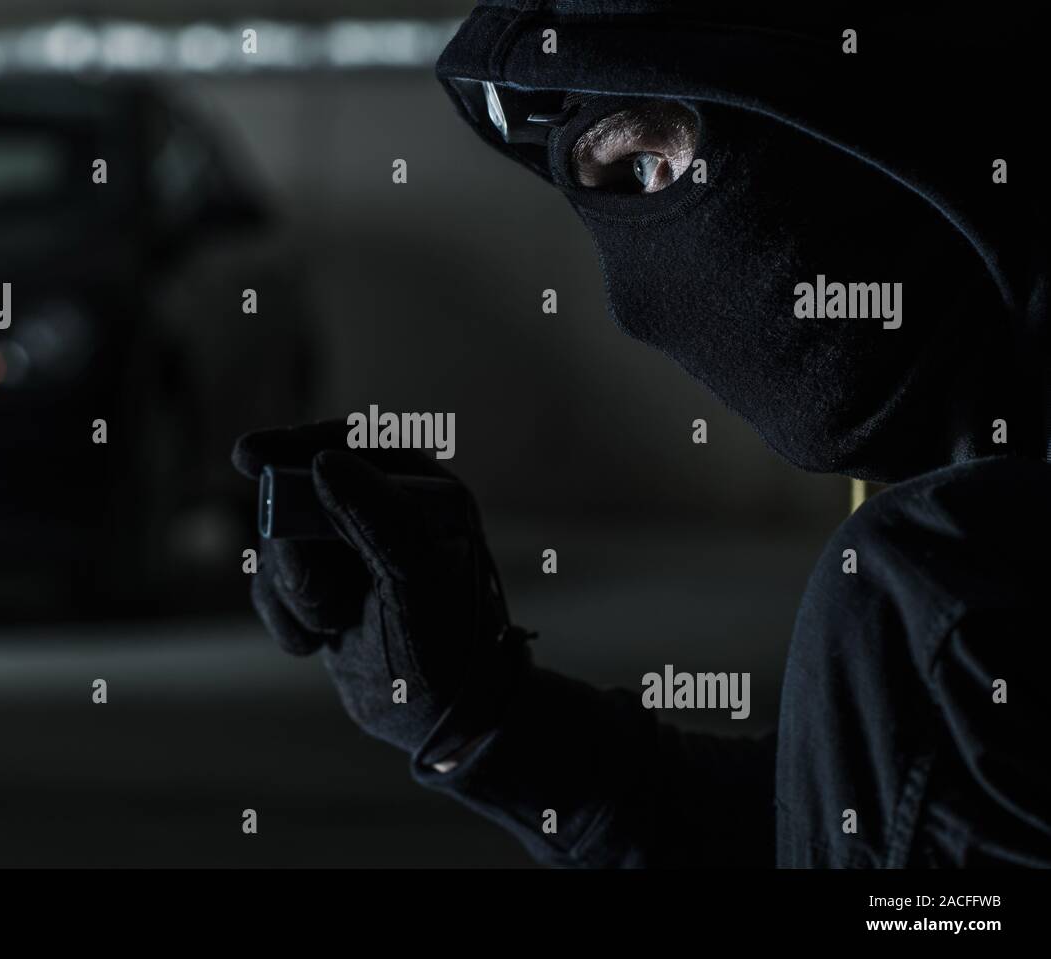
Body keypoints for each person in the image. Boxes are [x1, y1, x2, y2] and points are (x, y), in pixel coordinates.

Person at [232, 4, 1051, 867]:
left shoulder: (942, 604)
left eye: (649, 163)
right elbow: (832, 823)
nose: (635, 303)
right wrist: (487, 723)